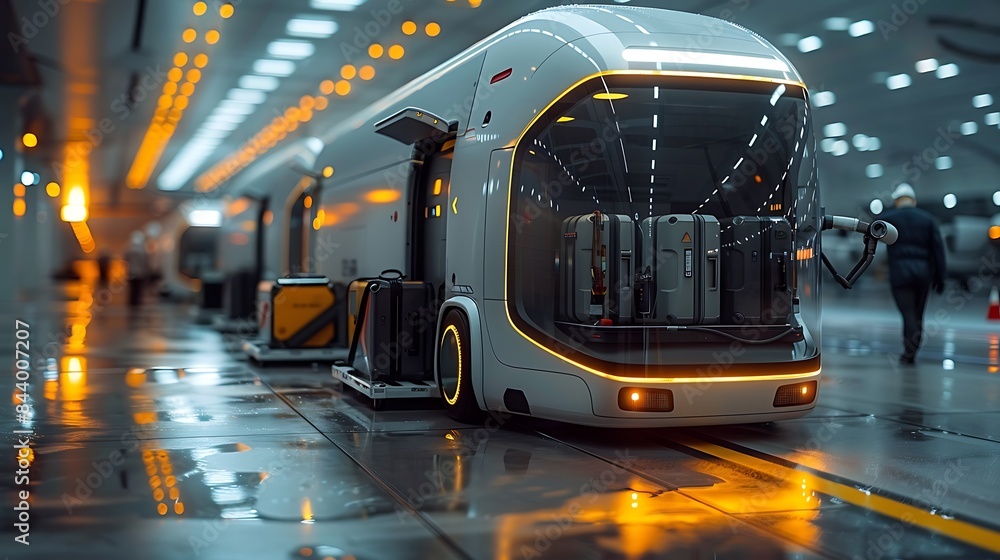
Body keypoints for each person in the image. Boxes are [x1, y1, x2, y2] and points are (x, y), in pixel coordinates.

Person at [879, 184, 947, 365]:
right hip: (923, 274)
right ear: (914, 201)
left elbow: (871, 232)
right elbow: (938, 251)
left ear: (896, 201)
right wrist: (940, 278)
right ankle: (913, 349)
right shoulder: (929, 220)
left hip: (900, 274)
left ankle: (909, 351)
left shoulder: (888, 219)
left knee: (907, 312)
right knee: (918, 313)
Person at [124, 231, 147, 308]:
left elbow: (125, 259)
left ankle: (132, 302)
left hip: (131, 272)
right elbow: (144, 261)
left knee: (132, 289)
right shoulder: (142, 250)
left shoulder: (129, 249)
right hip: (140, 273)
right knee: (138, 289)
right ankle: (137, 302)